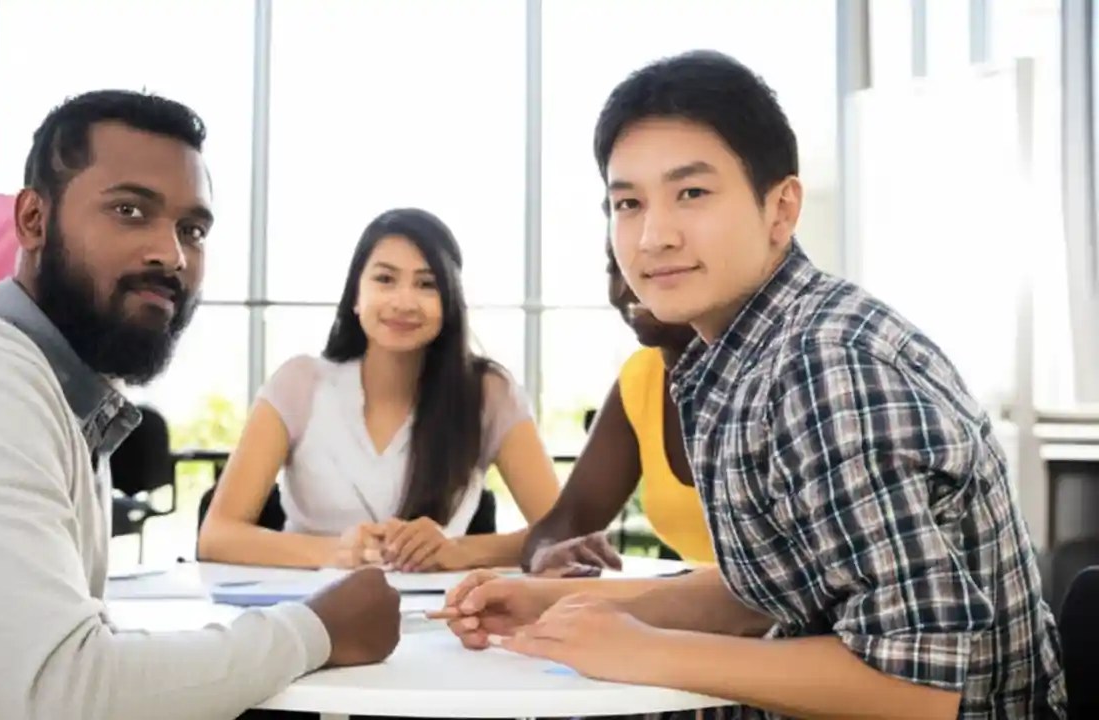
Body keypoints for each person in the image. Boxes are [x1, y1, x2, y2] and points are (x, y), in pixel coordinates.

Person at [440, 50, 1067, 718]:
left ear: (781, 208)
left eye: (692, 193)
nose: (653, 236)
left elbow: (915, 690)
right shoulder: (740, 358)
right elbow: (766, 590)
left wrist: (642, 650)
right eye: (628, 203)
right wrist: (561, 602)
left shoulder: (824, 367)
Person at [0, 89, 401, 720]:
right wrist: (316, 629)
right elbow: (67, 694)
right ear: (33, 221)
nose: (171, 255)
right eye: (130, 210)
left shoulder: (61, 394)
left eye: (192, 229)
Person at [199, 208, 560, 572]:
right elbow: (217, 535)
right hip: (309, 611)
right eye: (385, 279)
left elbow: (563, 533)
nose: (404, 302)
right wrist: (336, 553)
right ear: (356, 295)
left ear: (449, 303)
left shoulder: (488, 393)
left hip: (438, 613)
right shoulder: (300, 383)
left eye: (427, 284)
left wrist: (459, 551)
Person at [522, 241, 710, 576]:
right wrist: (548, 554)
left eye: (661, 264)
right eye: (618, 265)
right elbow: (571, 517)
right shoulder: (642, 378)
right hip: (708, 622)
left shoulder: (787, 369)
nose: (629, 286)